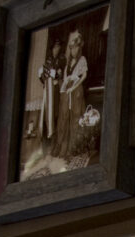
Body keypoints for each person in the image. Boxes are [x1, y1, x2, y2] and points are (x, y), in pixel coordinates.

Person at [54, 30, 87, 160]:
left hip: (76, 91)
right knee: (64, 118)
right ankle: (63, 147)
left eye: (74, 48)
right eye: (71, 48)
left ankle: (74, 147)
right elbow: (66, 77)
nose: (72, 51)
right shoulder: (69, 62)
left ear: (78, 48)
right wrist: (64, 87)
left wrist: (74, 86)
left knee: (75, 117)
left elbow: (84, 76)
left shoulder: (82, 60)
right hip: (67, 92)